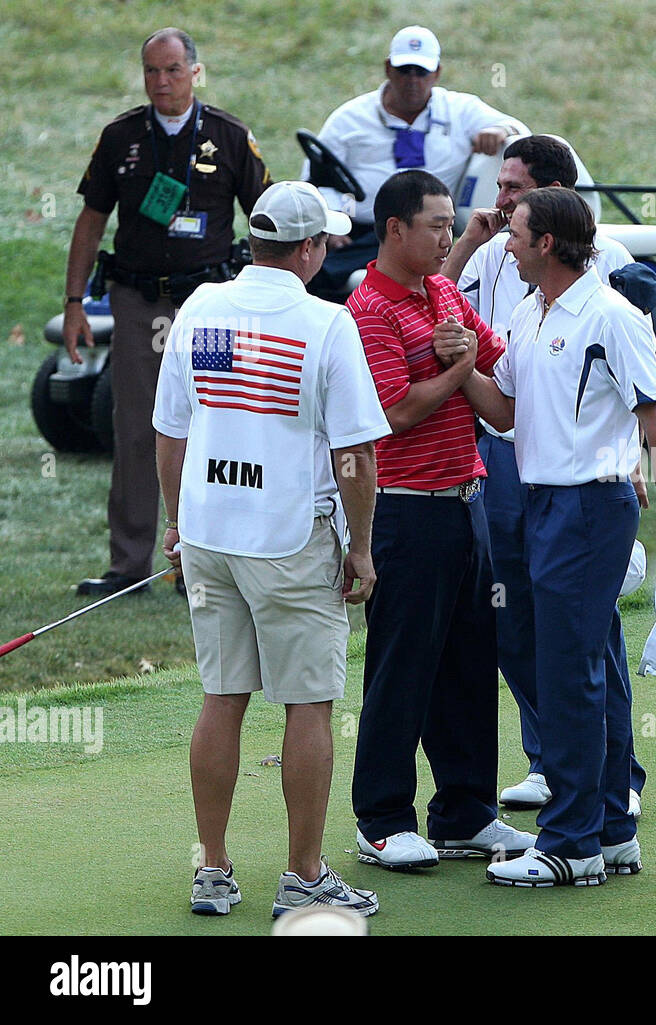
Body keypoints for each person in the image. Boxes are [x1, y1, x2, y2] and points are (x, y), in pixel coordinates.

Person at [153, 180, 389, 918]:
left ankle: (214, 869)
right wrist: (362, 548)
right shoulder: (327, 323)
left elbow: (170, 430)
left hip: (211, 533)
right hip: (291, 537)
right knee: (308, 703)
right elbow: (355, 454)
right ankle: (304, 872)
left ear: (253, 242)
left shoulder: (198, 307)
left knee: (223, 695)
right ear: (312, 248)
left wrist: (176, 523)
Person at [447, 187, 656, 887]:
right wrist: (462, 365)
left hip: (590, 509)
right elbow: (504, 412)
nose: (509, 243)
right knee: (582, 664)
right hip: (536, 502)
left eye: (518, 234)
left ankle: (572, 841)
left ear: (549, 242)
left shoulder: (611, 315)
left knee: (571, 670)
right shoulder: (529, 312)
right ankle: (611, 829)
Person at [439, 134, 647, 815]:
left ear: (550, 222)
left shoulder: (606, 279)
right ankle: (557, 767)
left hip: (587, 485)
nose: (499, 206)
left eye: (511, 191)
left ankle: (605, 799)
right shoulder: (514, 279)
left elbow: (643, 400)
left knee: (583, 641)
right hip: (518, 462)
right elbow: (439, 298)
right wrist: (468, 243)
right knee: (523, 621)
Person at [346, 169, 535, 869]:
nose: (448, 236)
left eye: (450, 223)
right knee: (402, 667)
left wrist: (476, 365)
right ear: (395, 229)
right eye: (435, 225)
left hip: (467, 504)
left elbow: (501, 392)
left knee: (466, 663)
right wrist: (456, 368)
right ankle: (382, 818)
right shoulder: (369, 309)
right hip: (405, 511)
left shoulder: (446, 291)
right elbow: (393, 414)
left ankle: (464, 812)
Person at [66, 27, 271, 598]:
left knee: (212, 422)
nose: (162, 82)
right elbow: (90, 220)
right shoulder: (121, 138)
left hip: (205, 306)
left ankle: (203, 560)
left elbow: (265, 220)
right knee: (134, 425)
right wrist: (74, 301)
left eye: (173, 70)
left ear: (196, 72)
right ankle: (128, 567)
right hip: (137, 300)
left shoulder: (229, 137)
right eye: (152, 71)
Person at [306, 25, 528, 300]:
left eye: (421, 72)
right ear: (388, 68)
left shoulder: (458, 110)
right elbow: (317, 179)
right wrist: (334, 221)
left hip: (426, 228)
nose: (412, 80)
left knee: (333, 269)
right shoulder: (349, 119)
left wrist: (500, 131)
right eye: (404, 70)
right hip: (360, 228)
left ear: (436, 73)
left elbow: (519, 129)